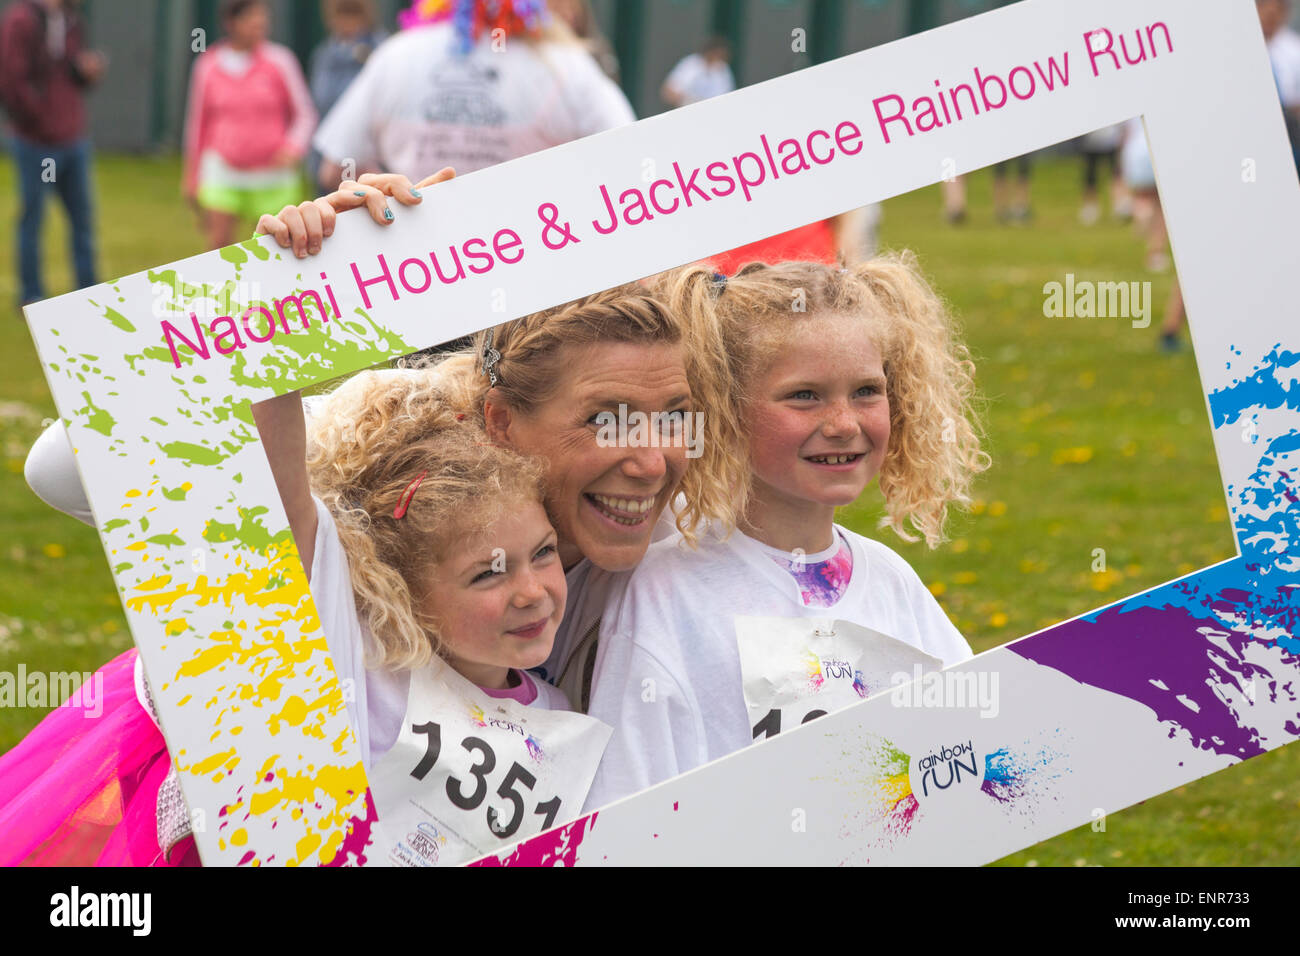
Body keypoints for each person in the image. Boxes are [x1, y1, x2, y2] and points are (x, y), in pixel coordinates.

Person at [583, 255, 991, 809]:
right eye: (805, 395)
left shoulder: (892, 581)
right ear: (725, 410)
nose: (844, 423)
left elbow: (975, 768)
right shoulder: (665, 593)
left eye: (867, 391)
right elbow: (629, 809)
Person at [312, 0, 634, 189]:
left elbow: (334, 167)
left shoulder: (396, 55)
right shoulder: (567, 66)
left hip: (420, 272)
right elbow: (630, 160)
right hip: (533, 270)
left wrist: (403, 195)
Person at [182, 0, 317, 250]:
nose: (260, 23)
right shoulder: (207, 65)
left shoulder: (281, 61)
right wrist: (192, 178)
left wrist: (293, 147)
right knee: (219, 247)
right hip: (223, 172)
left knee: (277, 248)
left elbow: (305, 114)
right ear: (231, 23)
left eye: (262, 16)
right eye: (251, 17)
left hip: (273, 177)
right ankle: (224, 291)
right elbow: (197, 124)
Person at [0, 0, 107, 307]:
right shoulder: (20, 20)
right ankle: (32, 294)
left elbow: (69, 73)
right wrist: (40, 118)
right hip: (36, 143)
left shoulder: (72, 18)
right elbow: (10, 80)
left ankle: (90, 294)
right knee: (33, 218)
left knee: (83, 220)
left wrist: (86, 70)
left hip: (73, 139)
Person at [307, 0, 387, 193]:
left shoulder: (384, 52)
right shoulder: (324, 55)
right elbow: (318, 107)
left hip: (370, 164)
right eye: (340, 14)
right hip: (329, 162)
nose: (345, 22)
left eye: (352, 13)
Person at [1258, 0, 1300, 171]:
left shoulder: (1294, 49)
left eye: (1276, 13)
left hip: (1287, 129)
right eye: (1266, 12)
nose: (1271, 18)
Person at [661, 36, 735, 108]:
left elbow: (727, 97)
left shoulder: (723, 69)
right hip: (686, 111)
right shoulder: (690, 63)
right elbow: (668, 91)